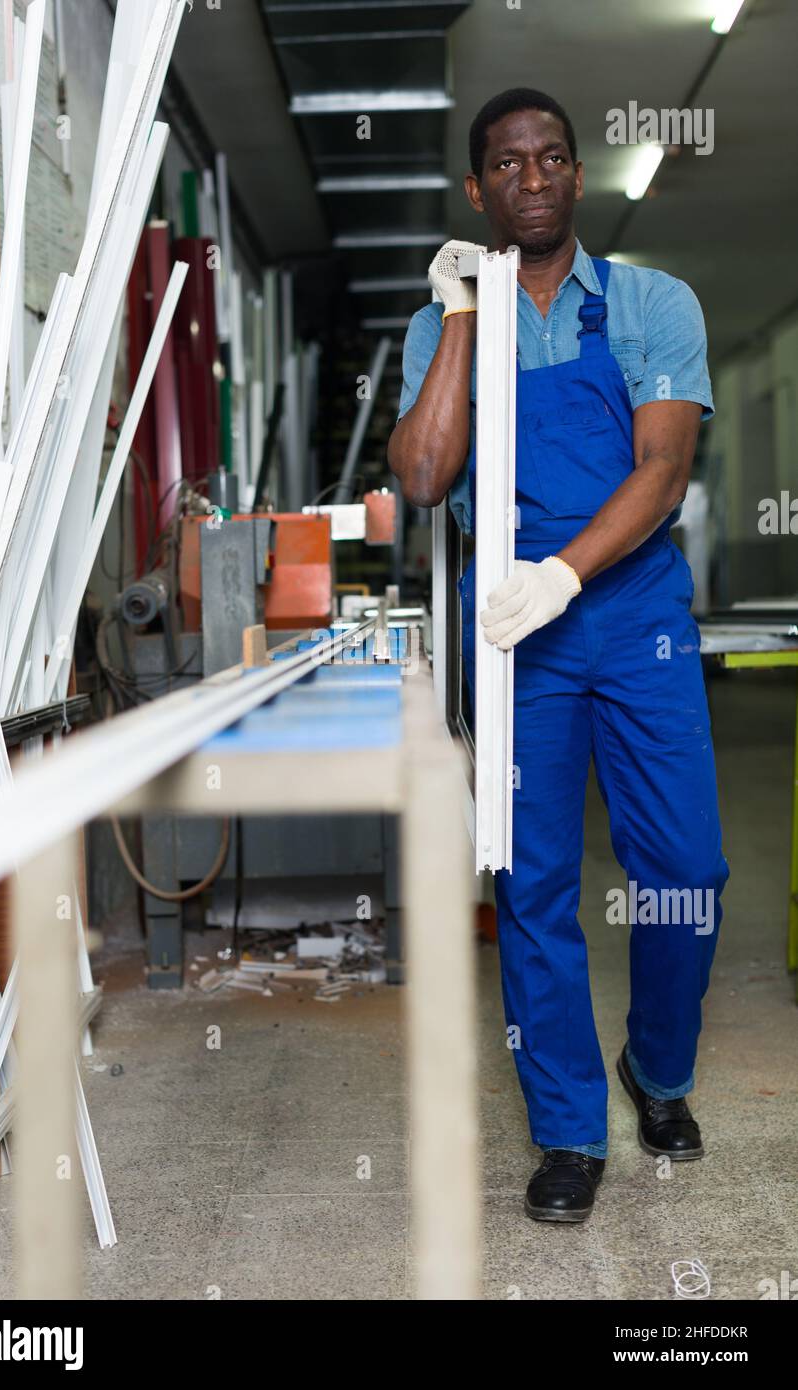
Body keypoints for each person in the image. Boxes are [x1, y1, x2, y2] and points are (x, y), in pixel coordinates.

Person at [387, 87, 729, 1223]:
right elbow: (425, 476)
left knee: (682, 875)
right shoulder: (445, 321)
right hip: (511, 636)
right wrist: (463, 316)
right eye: (506, 165)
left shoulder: (649, 304)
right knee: (529, 886)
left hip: (631, 619)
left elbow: (661, 470)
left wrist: (564, 576)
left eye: (550, 159)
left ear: (576, 176)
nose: (531, 180)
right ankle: (568, 1131)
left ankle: (657, 1070)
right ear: (477, 188)